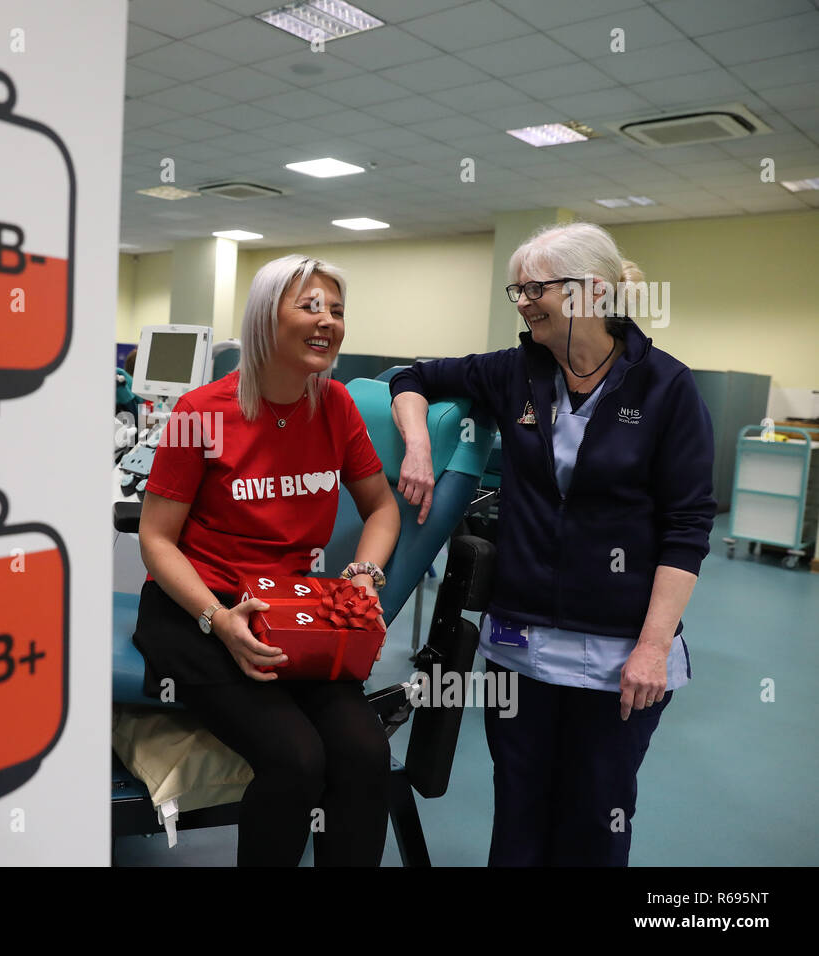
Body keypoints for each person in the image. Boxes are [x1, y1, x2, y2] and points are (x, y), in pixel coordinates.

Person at [390, 221, 715, 866]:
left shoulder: (666, 388)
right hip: (522, 646)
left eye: (534, 289)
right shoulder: (516, 371)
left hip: (622, 651)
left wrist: (652, 649)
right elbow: (410, 376)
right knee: (517, 807)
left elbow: (687, 527)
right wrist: (420, 447)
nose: (523, 302)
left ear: (592, 291)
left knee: (596, 814)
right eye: (517, 291)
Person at [132, 254, 401, 867]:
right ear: (263, 318)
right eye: (310, 306)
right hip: (196, 611)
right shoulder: (201, 412)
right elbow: (156, 539)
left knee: (363, 752)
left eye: (336, 310)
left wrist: (363, 572)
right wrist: (217, 620)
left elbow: (382, 508)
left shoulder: (333, 405)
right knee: (296, 758)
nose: (327, 321)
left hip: (288, 611)